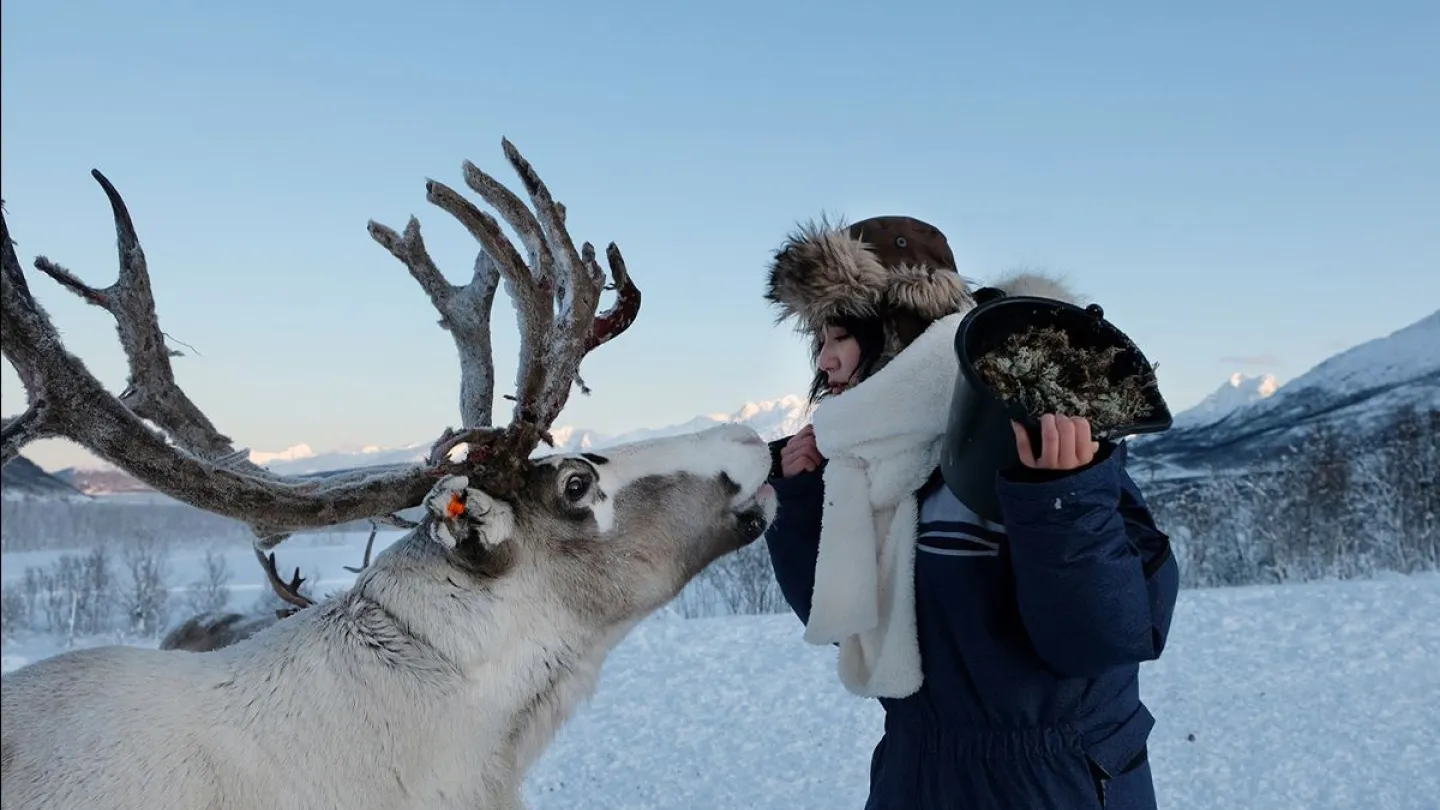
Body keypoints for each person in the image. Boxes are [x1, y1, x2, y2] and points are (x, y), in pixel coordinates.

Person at [760, 215, 1180, 810]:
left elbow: (1105, 639)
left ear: (895, 326)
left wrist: (1066, 502)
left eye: (838, 336)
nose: (824, 362)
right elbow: (848, 622)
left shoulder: (1022, 423)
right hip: (917, 773)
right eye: (818, 342)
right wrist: (801, 507)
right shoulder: (864, 463)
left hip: (1052, 782)